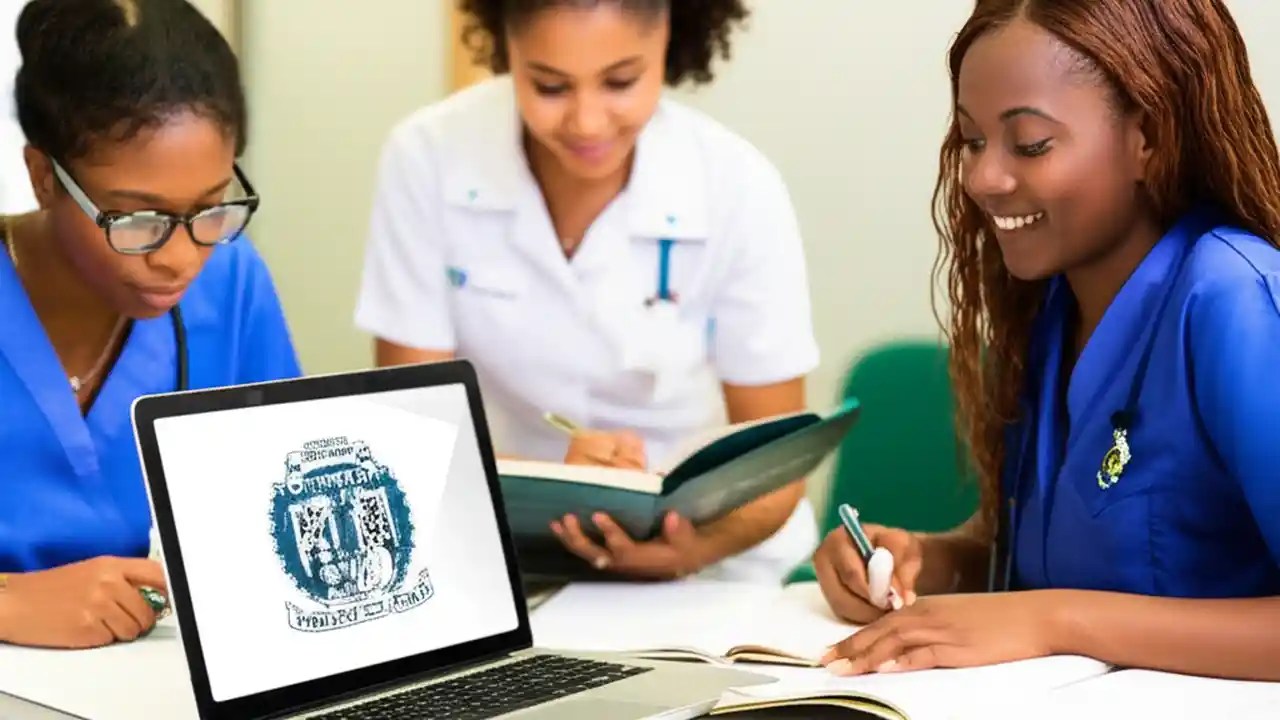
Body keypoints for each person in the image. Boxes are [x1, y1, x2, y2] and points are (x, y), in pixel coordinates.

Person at [815, 0, 1280, 682]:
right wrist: (928, 561)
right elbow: (1055, 553)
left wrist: (1051, 620)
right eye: (972, 141)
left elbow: (1059, 602)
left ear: (1147, 137)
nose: (982, 178)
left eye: (1029, 143)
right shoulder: (1057, 300)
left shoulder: (1235, 300)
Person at [355, 0, 821, 582]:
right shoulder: (427, 157)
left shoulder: (738, 187)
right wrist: (562, 488)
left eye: (621, 82)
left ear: (670, 40)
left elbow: (775, 464)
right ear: (506, 48)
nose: (588, 122)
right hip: (503, 545)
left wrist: (690, 550)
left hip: (715, 563)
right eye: (549, 86)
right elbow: (410, 432)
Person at [0, 0, 299, 649]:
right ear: (43, 177)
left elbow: (287, 498)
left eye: (210, 208)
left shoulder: (232, 278)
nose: (180, 257)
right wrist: (8, 604)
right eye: (138, 219)